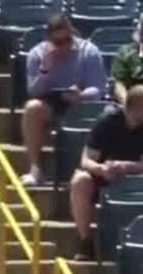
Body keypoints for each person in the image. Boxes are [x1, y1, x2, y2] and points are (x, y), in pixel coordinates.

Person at [69, 87, 143, 260]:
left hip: (136, 179)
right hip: (105, 175)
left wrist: (125, 166)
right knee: (80, 181)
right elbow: (86, 160)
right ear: (137, 109)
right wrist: (102, 169)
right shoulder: (107, 121)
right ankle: (86, 241)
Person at [21, 14, 108, 186]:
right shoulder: (37, 54)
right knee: (32, 108)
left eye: (68, 39)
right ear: (50, 40)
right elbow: (33, 90)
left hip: (82, 102)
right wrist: (45, 69)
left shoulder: (89, 51)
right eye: (59, 42)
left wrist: (81, 95)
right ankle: (35, 170)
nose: (65, 45)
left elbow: (98, 87)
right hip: (51, 103)